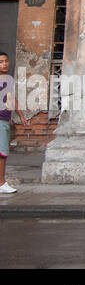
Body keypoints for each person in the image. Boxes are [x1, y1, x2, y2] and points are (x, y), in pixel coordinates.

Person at [0, 52, 26, 194]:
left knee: (3, 152)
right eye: (1, 62)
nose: (4, 64)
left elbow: (12, 99)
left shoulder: (8, 80)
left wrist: (20, 116)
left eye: (6, 61)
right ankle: (2, 183)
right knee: (2, 152)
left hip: (4, 119)